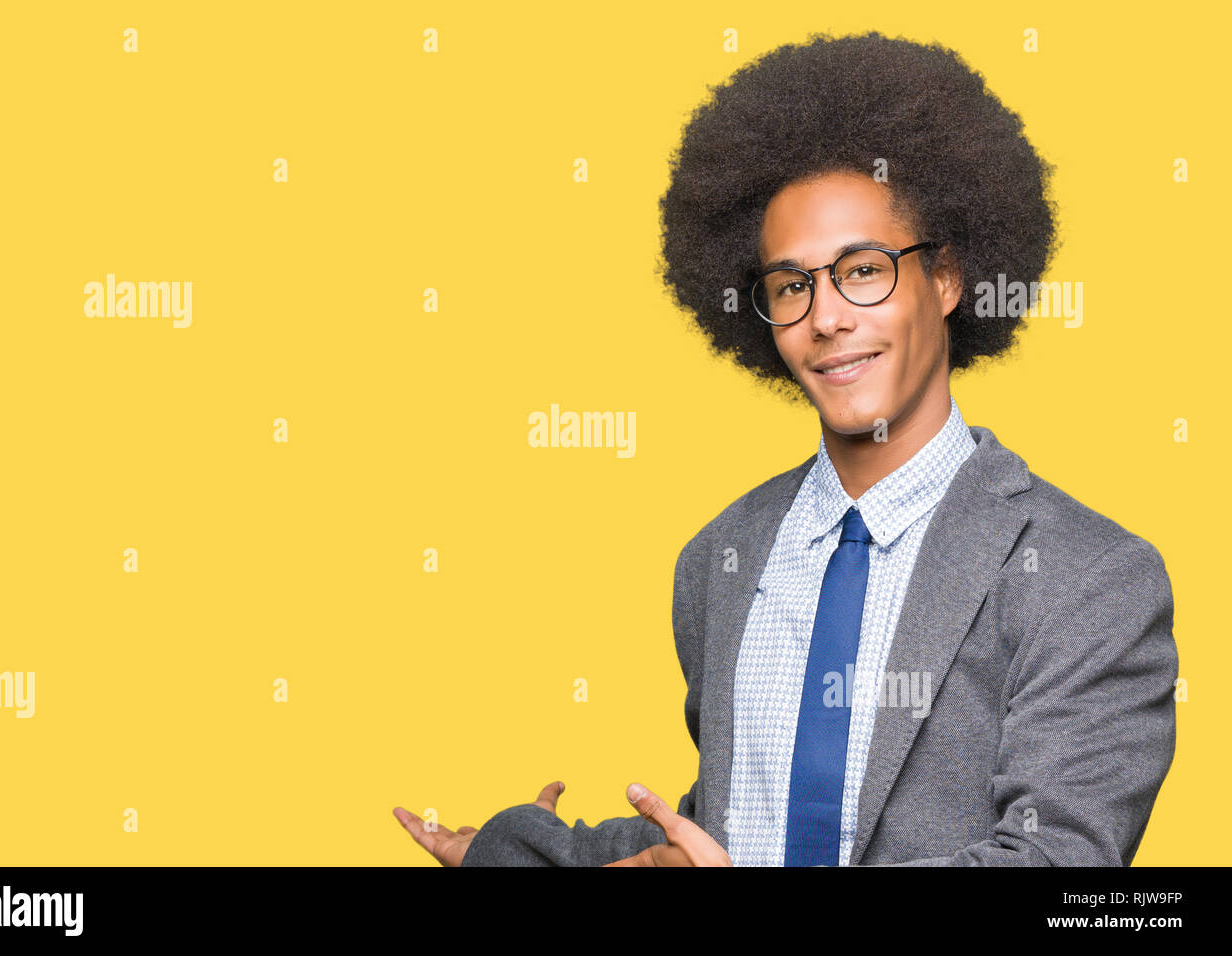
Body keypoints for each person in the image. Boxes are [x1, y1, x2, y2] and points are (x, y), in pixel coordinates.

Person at [393, 30, 1178, 866]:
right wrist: (526, 853)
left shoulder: (1088, 576)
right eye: (791, 284)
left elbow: (1063, 867)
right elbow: (734, 831)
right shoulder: (721, 559)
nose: (827, 316)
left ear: (946, 279)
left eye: (864, 270)